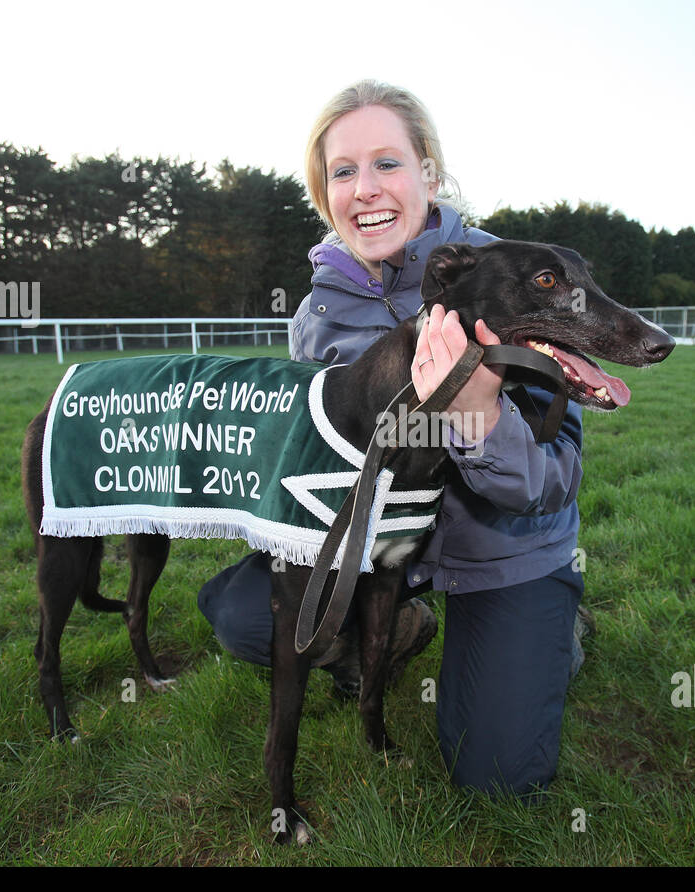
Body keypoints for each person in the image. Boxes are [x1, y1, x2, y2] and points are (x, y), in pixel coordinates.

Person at [198, 79, 589, 799]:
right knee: (248, 618)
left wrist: (477, 416)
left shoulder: (512, 276)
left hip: (497, 547)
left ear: (429, 174)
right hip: (383, 546)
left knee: (498, 774)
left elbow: (554, 479)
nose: (365, 189)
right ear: (324, 193)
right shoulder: (317, 308)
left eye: (387, 163)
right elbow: (318, 451)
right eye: (342, 171)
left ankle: (550, 630)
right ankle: (401, 624)